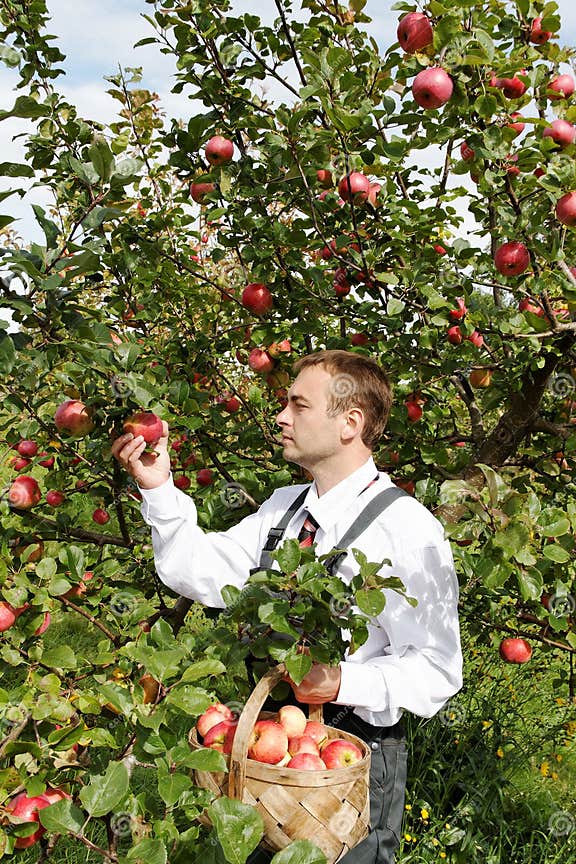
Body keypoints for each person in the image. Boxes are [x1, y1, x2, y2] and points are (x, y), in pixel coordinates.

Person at [111, 349, 462, 864]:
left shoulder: (408, 529)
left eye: (299, 405)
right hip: (265, 745)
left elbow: (438, 668)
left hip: (349, 755)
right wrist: (160, 488)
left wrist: (343, 681)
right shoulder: (285, 508)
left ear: (350, 423)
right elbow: (203, 570)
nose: (280, 416)